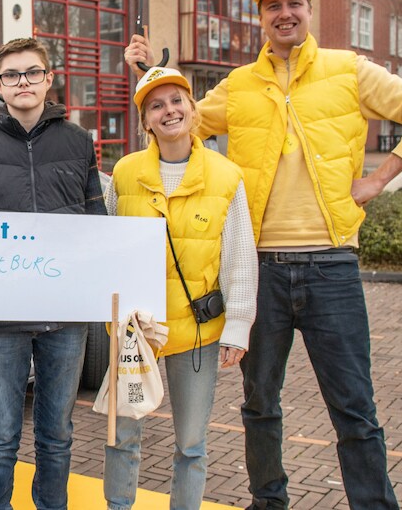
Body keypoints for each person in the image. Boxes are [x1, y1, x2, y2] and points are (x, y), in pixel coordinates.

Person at [125, 0, 402, 510]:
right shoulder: (239, 86)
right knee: (259, 403)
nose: (285, 13)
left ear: (308, 9)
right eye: (272, 5)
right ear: (260, 17)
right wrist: (151, 74)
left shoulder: (349, 71)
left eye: (294, 3)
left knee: (354, 406)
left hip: (333, 266)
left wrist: (377, 179)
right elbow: (177, 119)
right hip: (262, 270)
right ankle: (268, 501)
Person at [0, 37, 107, 510]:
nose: (24, 82)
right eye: (13, 75)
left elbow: (96, 226)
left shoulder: (78, 143)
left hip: (65, 316)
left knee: (57, 433)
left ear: (49, 79)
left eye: (32, 72)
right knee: (0, 433)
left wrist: (105, 300)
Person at [102, 67, 258, 510]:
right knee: (122, 435)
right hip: (136, 333)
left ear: (192, 109)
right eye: (156, 105)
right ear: (145, 122)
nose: (169, 110)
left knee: (191, 443)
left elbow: (240, 257)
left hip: (196, 335)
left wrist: (238, 326)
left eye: (176, 101)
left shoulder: (227, 177)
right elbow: (107, 246)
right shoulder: (126, 173)